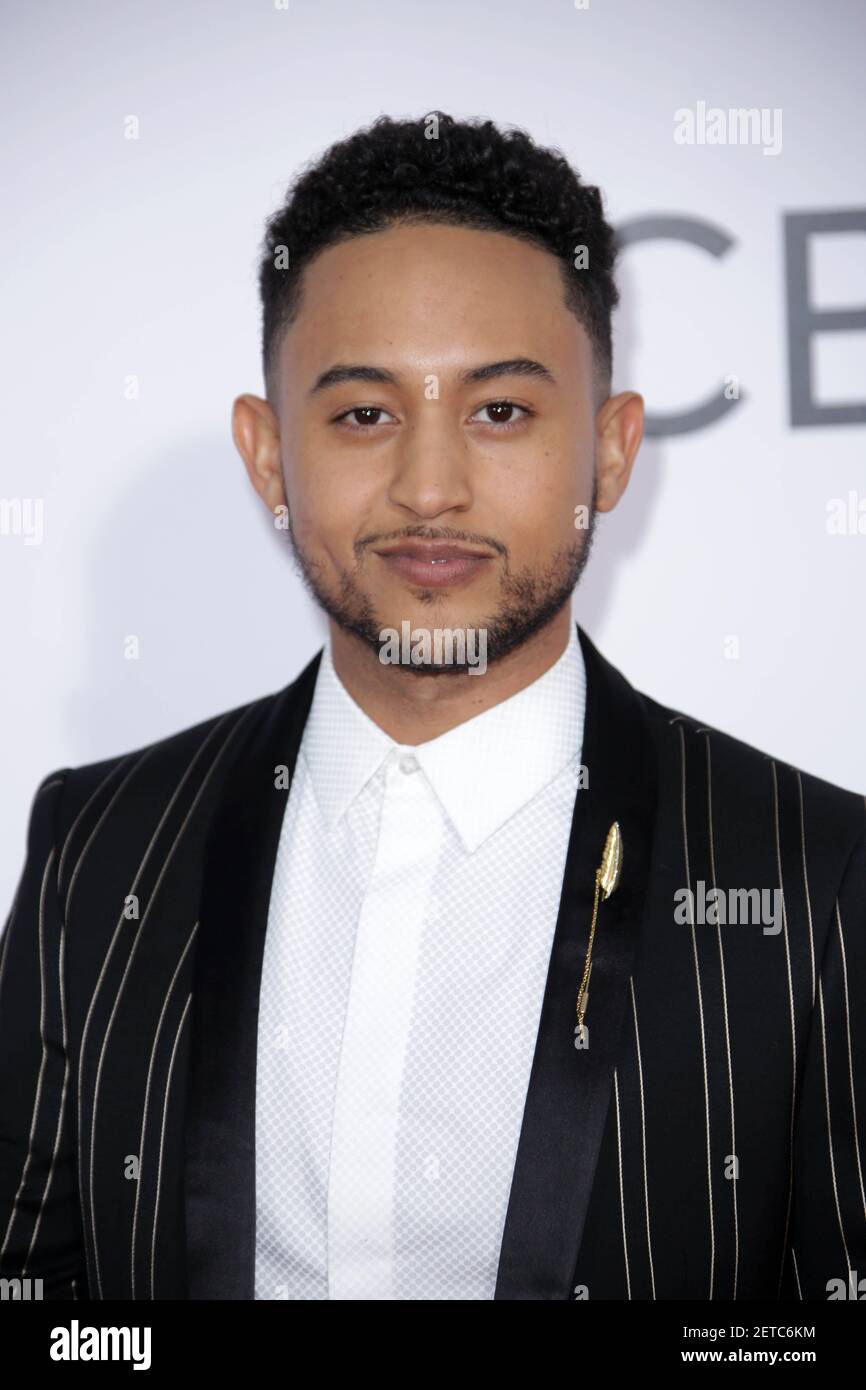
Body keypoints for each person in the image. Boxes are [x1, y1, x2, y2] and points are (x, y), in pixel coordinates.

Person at [1, 112, 863, 1302]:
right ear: (266, 457)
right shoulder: (97, 846)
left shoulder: (813, 874)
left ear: (610, 451)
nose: (427, 485)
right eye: (363, 413)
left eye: (498, 411)